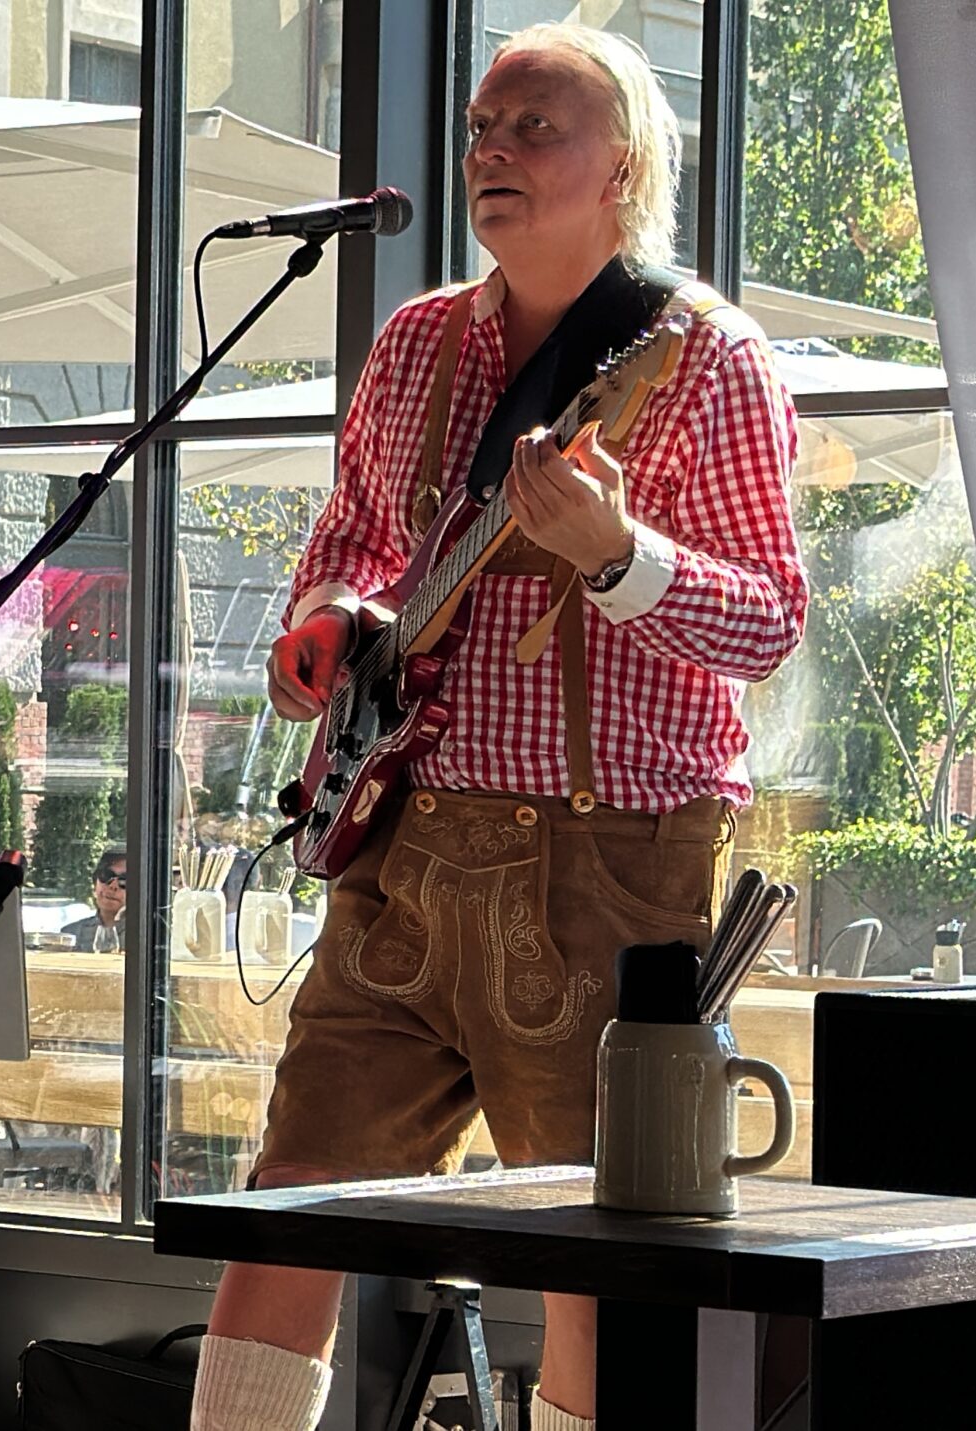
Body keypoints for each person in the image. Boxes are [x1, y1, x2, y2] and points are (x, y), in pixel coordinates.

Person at [190, 26, 806, 1431]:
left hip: (608, 865)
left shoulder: (704, 360)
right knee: (288, 1213)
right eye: (483, 126)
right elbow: (345, 546)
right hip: (402, 850)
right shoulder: (414, 344)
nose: (492, 150)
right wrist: (327, 621)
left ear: (624, 169)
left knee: (588, 1255)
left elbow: (767, 622)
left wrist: (616, 551)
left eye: (536, 128)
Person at [60, 849, 127, 952]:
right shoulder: (70, 935)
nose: (113, 886)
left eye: (124, 880)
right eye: (107, 875)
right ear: (95, 882)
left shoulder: (148, 937)